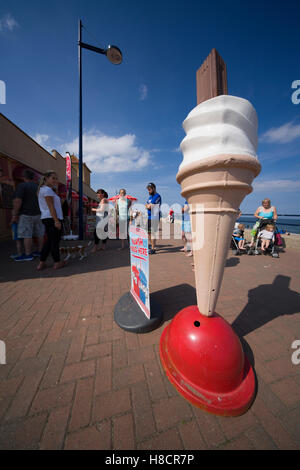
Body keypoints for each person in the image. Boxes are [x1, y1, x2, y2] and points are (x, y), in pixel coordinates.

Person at [12, 169, 45, 261]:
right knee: (40, 234)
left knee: (27, 234)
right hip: (39, 214)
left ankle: (28, 254)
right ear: (33, 177)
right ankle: (40, 251)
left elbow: (17, 200)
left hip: (26, 214)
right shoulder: (38, 187)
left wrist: (15, 215)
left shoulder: (22, 186)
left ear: (24, 177)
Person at [37, 171, 65, 270]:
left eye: (56, 178)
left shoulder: (45, 190)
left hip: (47, 217)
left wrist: (56, 191)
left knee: (49, 242)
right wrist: (56, 221)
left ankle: (41, 263)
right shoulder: (47, 190)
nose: (55, 180)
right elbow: (51, 207)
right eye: (53, 178)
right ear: (46, 178)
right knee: (54, 242)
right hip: (52, 218)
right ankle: (57, 262)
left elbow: (56, 205)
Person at [145, 182, 161, 254]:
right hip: (149, 216)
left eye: (150, 189)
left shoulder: (157, 196)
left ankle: (153, 248)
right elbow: (146, 205)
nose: (149, 191)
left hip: (155, 217)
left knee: (152, 233)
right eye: (148, 190)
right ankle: (152, 245)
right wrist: (148, 206)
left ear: (153, 188)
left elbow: (149, 206)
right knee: (148, 233)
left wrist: (148, 206)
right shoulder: (150, 197)